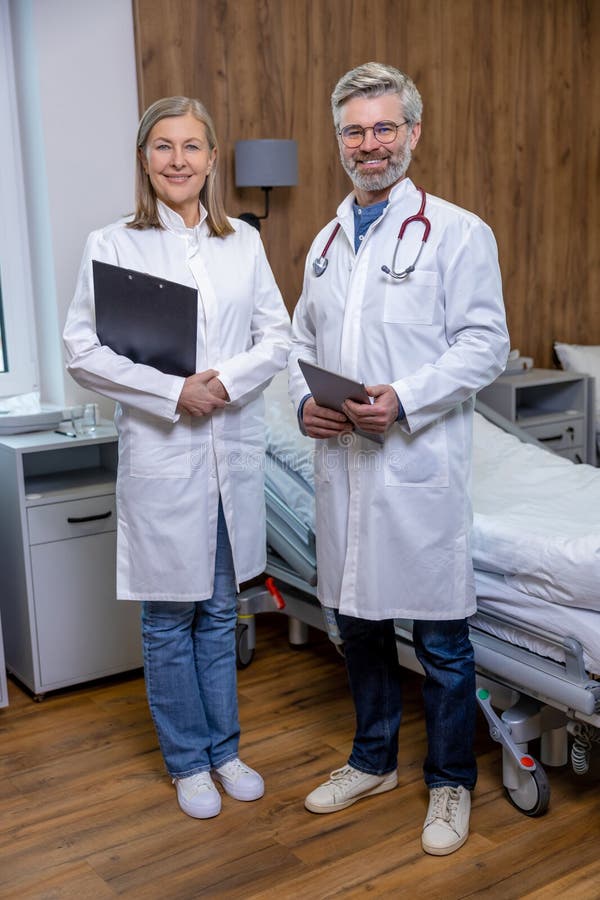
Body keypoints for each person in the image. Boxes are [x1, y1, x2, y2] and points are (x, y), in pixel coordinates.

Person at [288, 62, 509, 855]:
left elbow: (486, 344)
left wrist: (406, 398)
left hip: (417, 472)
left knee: (442, 644)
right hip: (345, 467)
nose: (370, 144)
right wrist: (303, 402)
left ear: (412, 132)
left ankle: (450, 781)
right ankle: (372, 761)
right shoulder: (323, 244)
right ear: (338, 140)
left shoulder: (455, 232)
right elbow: (300, 343)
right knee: (360, 630)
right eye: (354, 131)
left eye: (384, 127)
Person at [64, 96, 291, 819]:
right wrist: (172, 392)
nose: (178, 160)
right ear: (144, 159)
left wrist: (223, 383)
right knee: (168, 618)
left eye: (192, 146)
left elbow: (277, 337)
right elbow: (81, 351)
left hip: (230, 452)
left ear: (212, 159)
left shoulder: (242, 243)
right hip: (164, 453)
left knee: (221, 610)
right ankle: (188, 761)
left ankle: (226, 750)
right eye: (163, 146)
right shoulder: (113, 243)